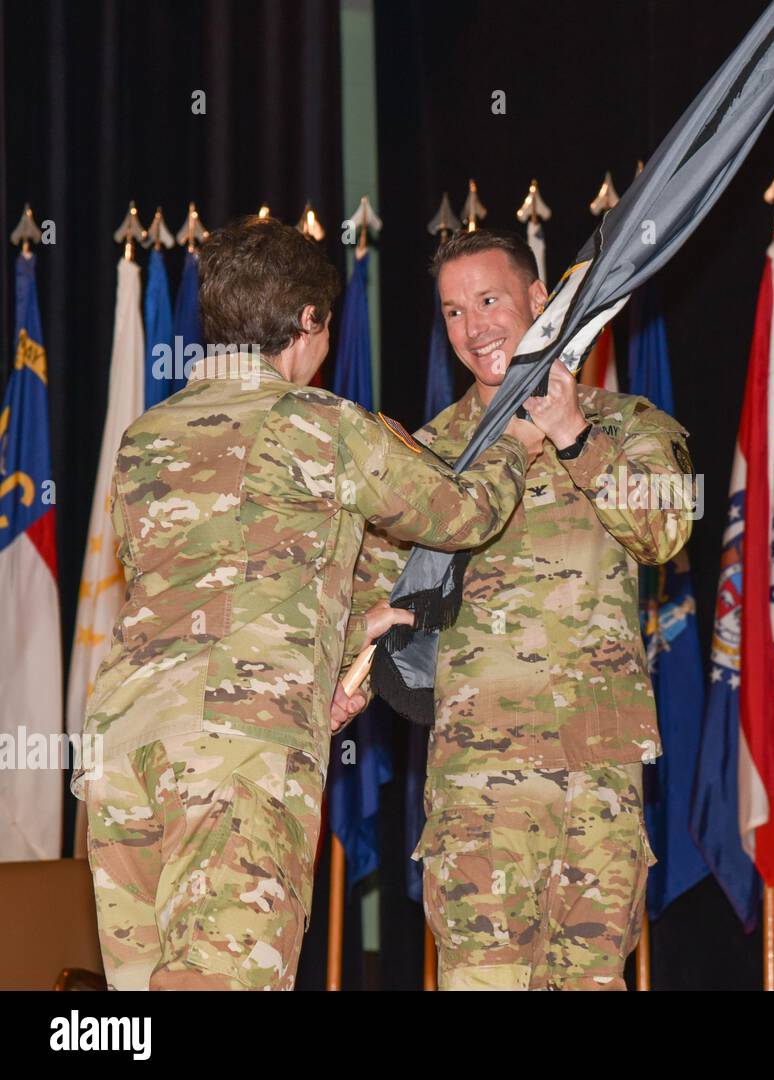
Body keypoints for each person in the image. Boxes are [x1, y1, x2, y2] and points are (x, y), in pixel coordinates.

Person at [76, 215, 538, 990]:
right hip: (237, 748)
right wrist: (515, 450)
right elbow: (462, 515)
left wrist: (338, 646)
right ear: (310, 322)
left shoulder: (146, 435)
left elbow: (219, 580)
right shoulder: (317, 423)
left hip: (121, 748)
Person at [353, 226, 695, 989]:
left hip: (598, 779)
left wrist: (573, 436)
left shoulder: (626, 424)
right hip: (481, 785)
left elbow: (667, 533)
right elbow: (373, 599)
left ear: (540, 301)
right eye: (452, 312)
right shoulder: (425, 456)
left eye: (489, 300)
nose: (474, 328)